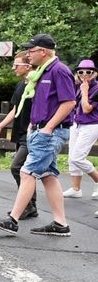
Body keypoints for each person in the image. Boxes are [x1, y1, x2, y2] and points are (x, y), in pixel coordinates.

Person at [0, 34, 75, 236]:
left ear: (43, 51)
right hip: (39, 131)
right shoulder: (43, 72)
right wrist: (33, 126)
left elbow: (69, 102)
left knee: (26, 172)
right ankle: (60, 223)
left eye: (31, 50)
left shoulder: (59, 71)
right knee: (47, 176)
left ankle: (13, 220)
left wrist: (48, 128)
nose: (28, 54)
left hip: (49, 132)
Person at [0, 52, 39, 218]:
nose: (13, 68)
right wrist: (0, 126)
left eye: (16, 65)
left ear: (28, 66)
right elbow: (15, 110)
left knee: (17, 167)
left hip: (31, 133)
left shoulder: (37, 85)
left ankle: (27, 205)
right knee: (26, 170)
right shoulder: (20, 85)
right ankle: (31, 206)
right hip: (20, 131)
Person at [61, 60, 98, 199]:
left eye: (88, 72)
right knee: (72, 158)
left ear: (94, 73)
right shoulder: (77, 86)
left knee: (78, 157)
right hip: (76, 124)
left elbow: (87, 108)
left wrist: (85, 91)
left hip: (92, 124)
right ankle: (76, 189)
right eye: (80, 71)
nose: (84, 74)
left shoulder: (95, 88)